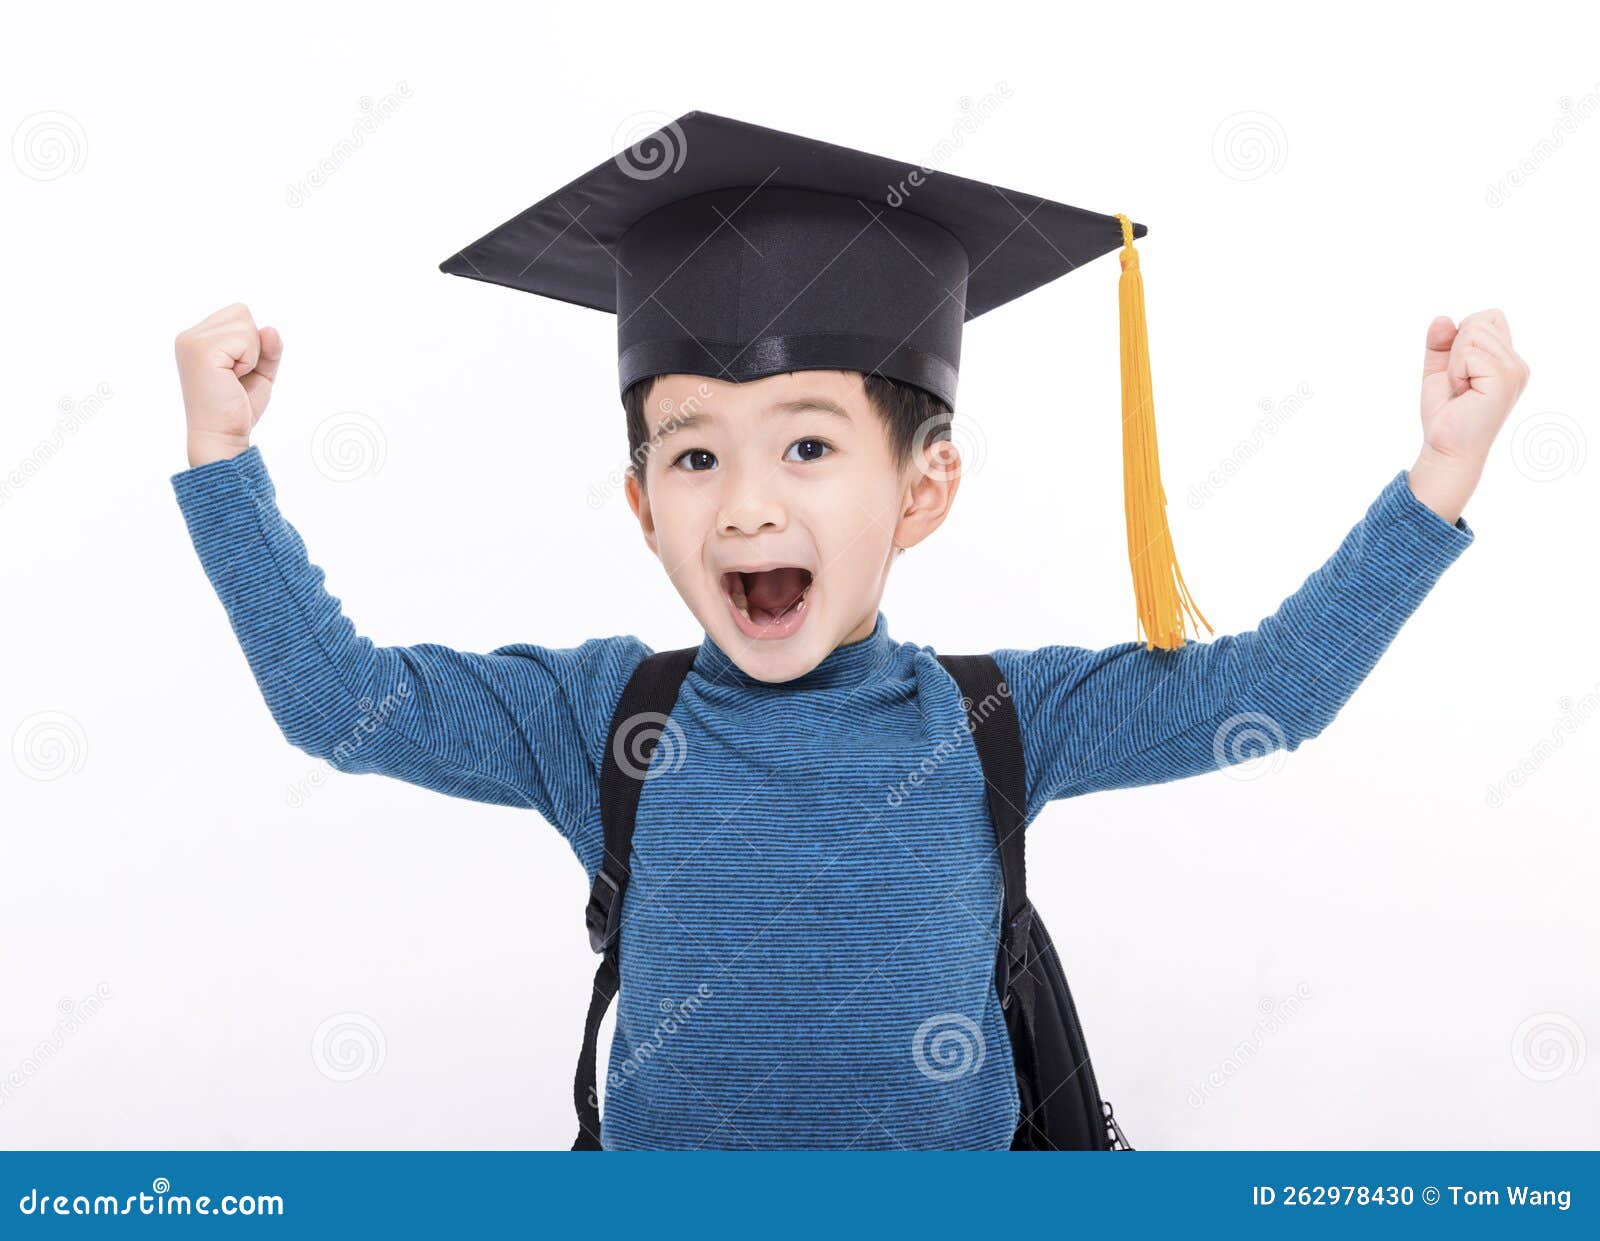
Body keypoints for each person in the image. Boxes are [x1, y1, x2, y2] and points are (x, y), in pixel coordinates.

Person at [169, 113, 1528, 1150]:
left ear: (922, 488)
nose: (748, 502)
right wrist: (223, 458)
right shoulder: (605, 723)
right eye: (694, 458)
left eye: (809, 444)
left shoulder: (996, 720)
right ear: (643, 506)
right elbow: (330, 698)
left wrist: (1440, 477)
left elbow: (1272, 691)